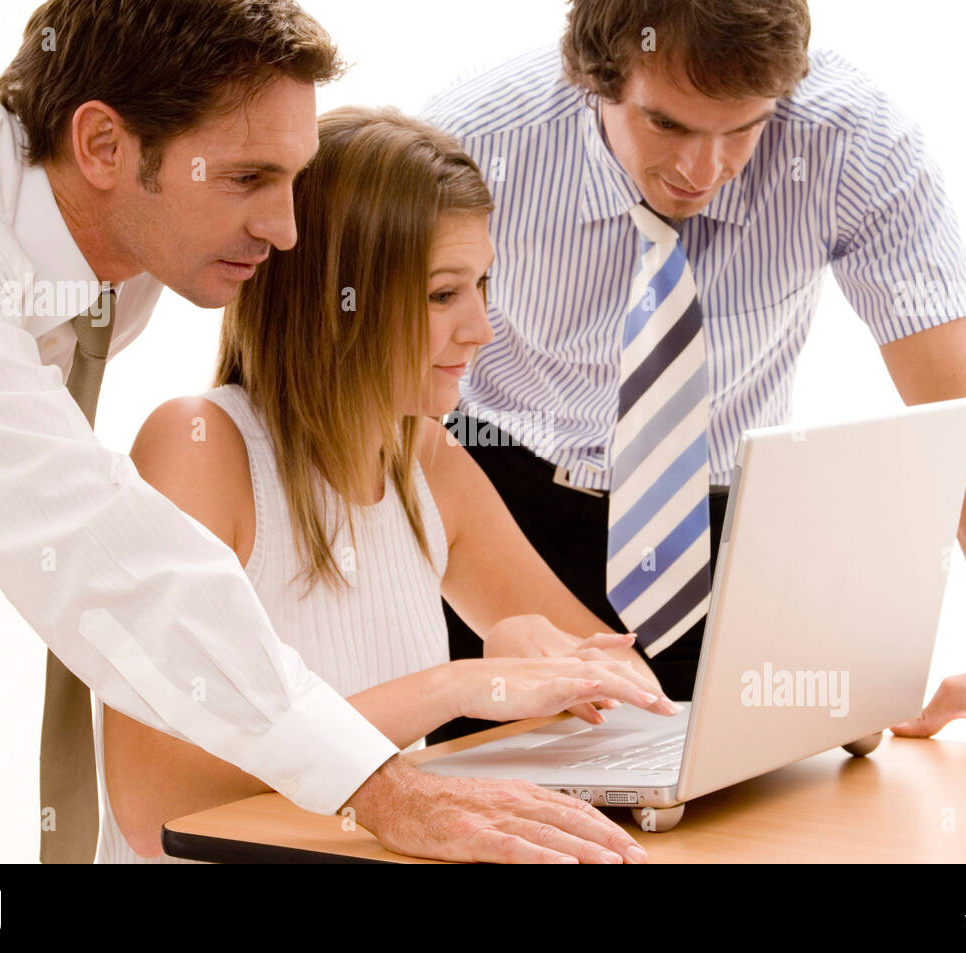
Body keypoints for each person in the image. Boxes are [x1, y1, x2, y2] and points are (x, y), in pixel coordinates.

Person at [0, 0, 648, 864]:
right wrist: (380, 781)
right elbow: (108, 557)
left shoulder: (117, 261)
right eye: (246, 179)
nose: (286, 231)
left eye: (293, 180)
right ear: (103, 146)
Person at [418, 0, 966, 771]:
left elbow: (961, 395)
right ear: (596, 77)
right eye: (666, 124)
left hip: (722, 530)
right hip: (501, 509)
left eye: (741, 128)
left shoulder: (852, 142)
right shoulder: (475, 139)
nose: (699, 172)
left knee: (766, 805)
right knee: (512, 808)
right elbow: (378, 388)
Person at [97, 105, 682, 862]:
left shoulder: (427, 462)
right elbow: (158, 804)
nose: (480, 329)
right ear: (333, 300)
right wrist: (457, 686)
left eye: (481, 285)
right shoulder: (199, 449)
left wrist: (530, 649)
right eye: (443, 295)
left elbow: (642, 691)